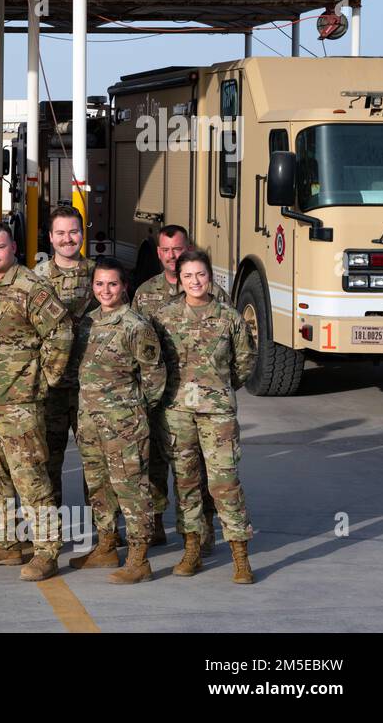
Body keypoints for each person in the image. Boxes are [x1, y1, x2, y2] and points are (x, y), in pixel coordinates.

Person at [0, 221, 73, 581]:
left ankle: (46, 550)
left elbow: (61, 332)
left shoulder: (30, 287)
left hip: (20, 403)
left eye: (1, 247)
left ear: (13, 249)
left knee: (30, 478)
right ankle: (6, 542)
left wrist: (44, 379)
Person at [152, 249, 256, 584]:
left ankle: (240, 556)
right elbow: (157, 364)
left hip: (217, 413)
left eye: (201, 274)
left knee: (224, 483)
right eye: (188, 276)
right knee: (186, 484)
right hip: (178, 412)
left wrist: (219, 390)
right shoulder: (164, 317)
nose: (195, 281)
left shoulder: (229, 317)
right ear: (178, 280)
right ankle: (192, 549)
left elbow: (244, 363)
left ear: (210, 276)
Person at [70, 257, 165, 584]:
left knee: (131, 489)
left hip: (123, 424)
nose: (105, 290)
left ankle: (139, 558)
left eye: (112, 284)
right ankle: (106, 545)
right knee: (98, 486)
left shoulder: (136, 326)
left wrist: (134, 411)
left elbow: (154, 378)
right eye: (99, 284)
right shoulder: (88, 322)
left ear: (124, 286)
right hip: (90, 422)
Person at [132, 224, 226, 551]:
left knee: (197, 468)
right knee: (155, 460)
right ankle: (157, 522)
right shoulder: (144, 293)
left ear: (188, 247)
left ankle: (204, 529)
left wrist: (220, 387)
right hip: (160, 393)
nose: (172, 256)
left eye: (178, 249)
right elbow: (137, 345)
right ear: (158, 252)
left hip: (199, 397)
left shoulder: (211, 291)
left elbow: (237, 348)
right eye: (166, 250)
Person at [34, 206, 97, 507]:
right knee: (48, 461)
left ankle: (104, 536)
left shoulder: (101, 276)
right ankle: (50, 533)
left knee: (96, 462)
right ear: (50, 237)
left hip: (91, 387)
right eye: (60, 232)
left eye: (73, 231)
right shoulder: (37, 279)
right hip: (51, 386)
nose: (67, 238)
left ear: (82, 234)